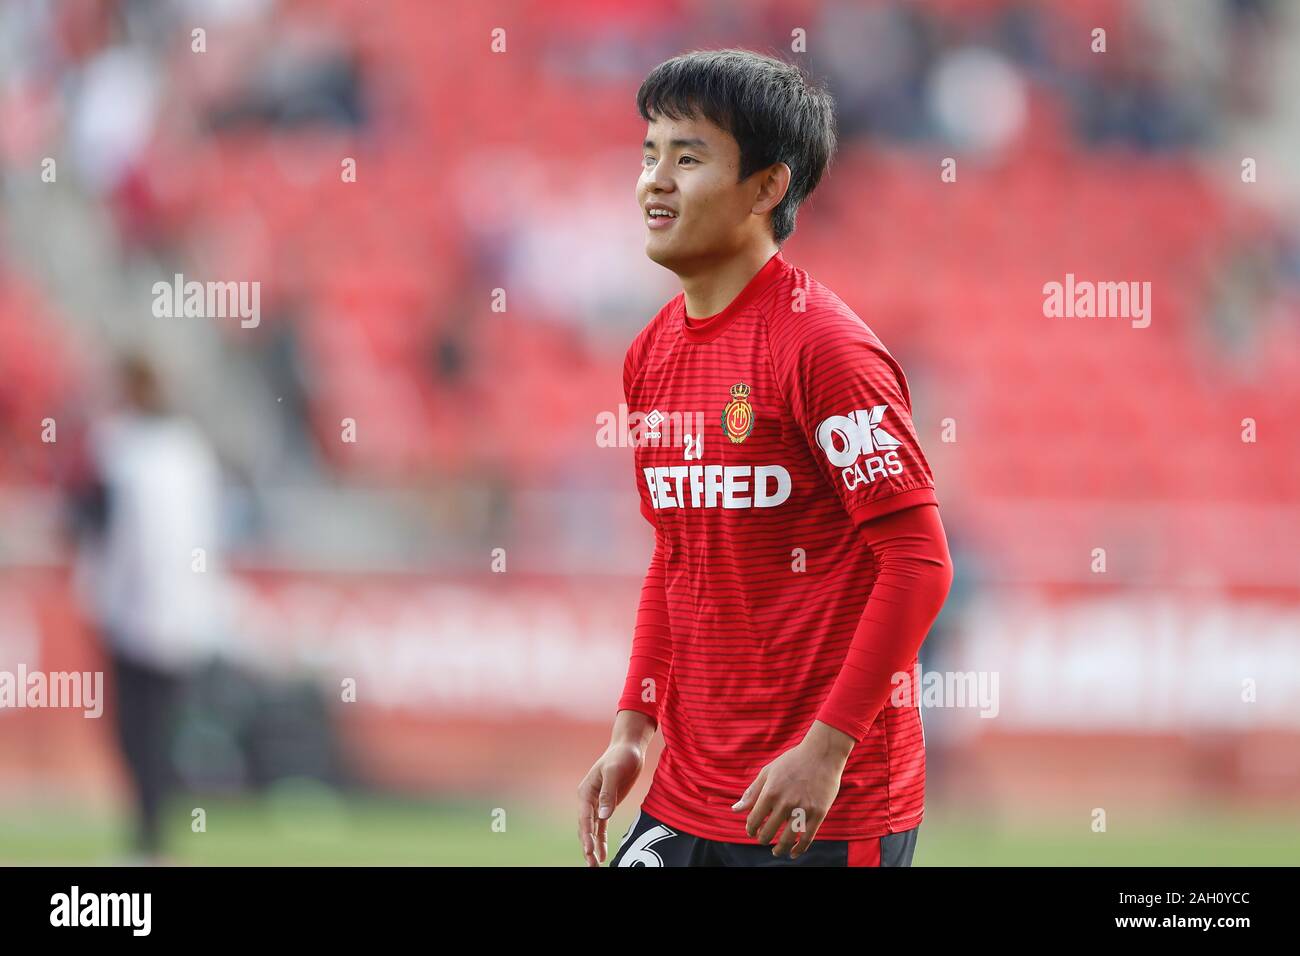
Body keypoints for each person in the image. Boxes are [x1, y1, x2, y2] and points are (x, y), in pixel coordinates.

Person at [577, 50, 954, 867]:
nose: (655, 180)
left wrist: (828, 749)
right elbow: (674, 554)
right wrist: (634, 726)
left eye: (688, 157)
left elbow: (919, 561)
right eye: (649, 153)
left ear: (767, 187)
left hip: (819, 806)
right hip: (685, 795)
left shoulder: (826, 349)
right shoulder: (648, 356)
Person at [71, 354, 223, 860]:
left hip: (137, 610)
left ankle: (150, 835)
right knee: (157, 730)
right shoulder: (188, 450)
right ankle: (153, 833)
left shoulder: (126, 448)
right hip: (176, 608)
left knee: (137, 731)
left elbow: (94, 519)